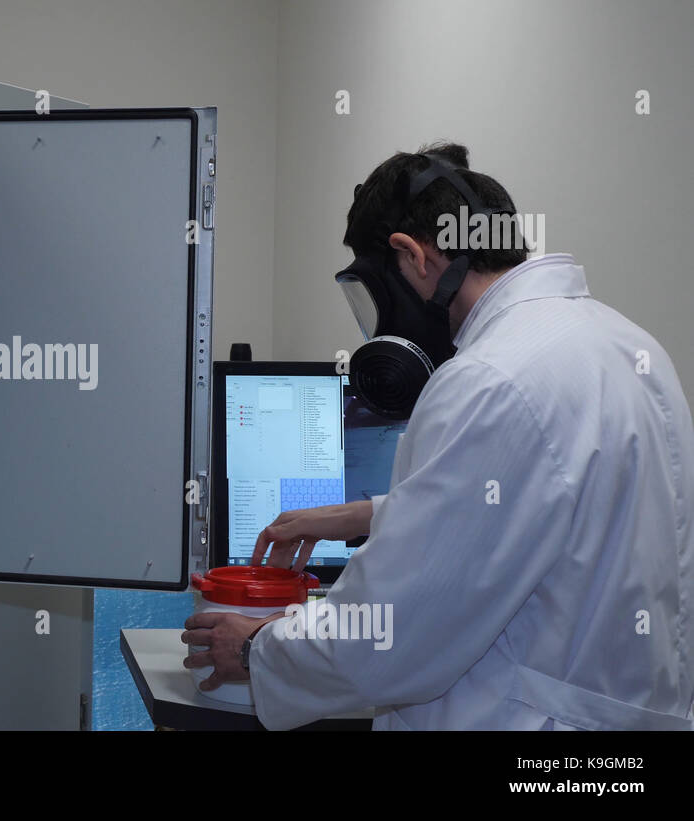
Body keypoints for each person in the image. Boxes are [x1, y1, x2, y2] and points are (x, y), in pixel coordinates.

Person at [182, 142, 694, 730]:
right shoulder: (628, 345)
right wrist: (372, 513)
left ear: (413, 256)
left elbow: (394, 632)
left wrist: (254, 649)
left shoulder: (489, 378)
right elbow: (553, 508)